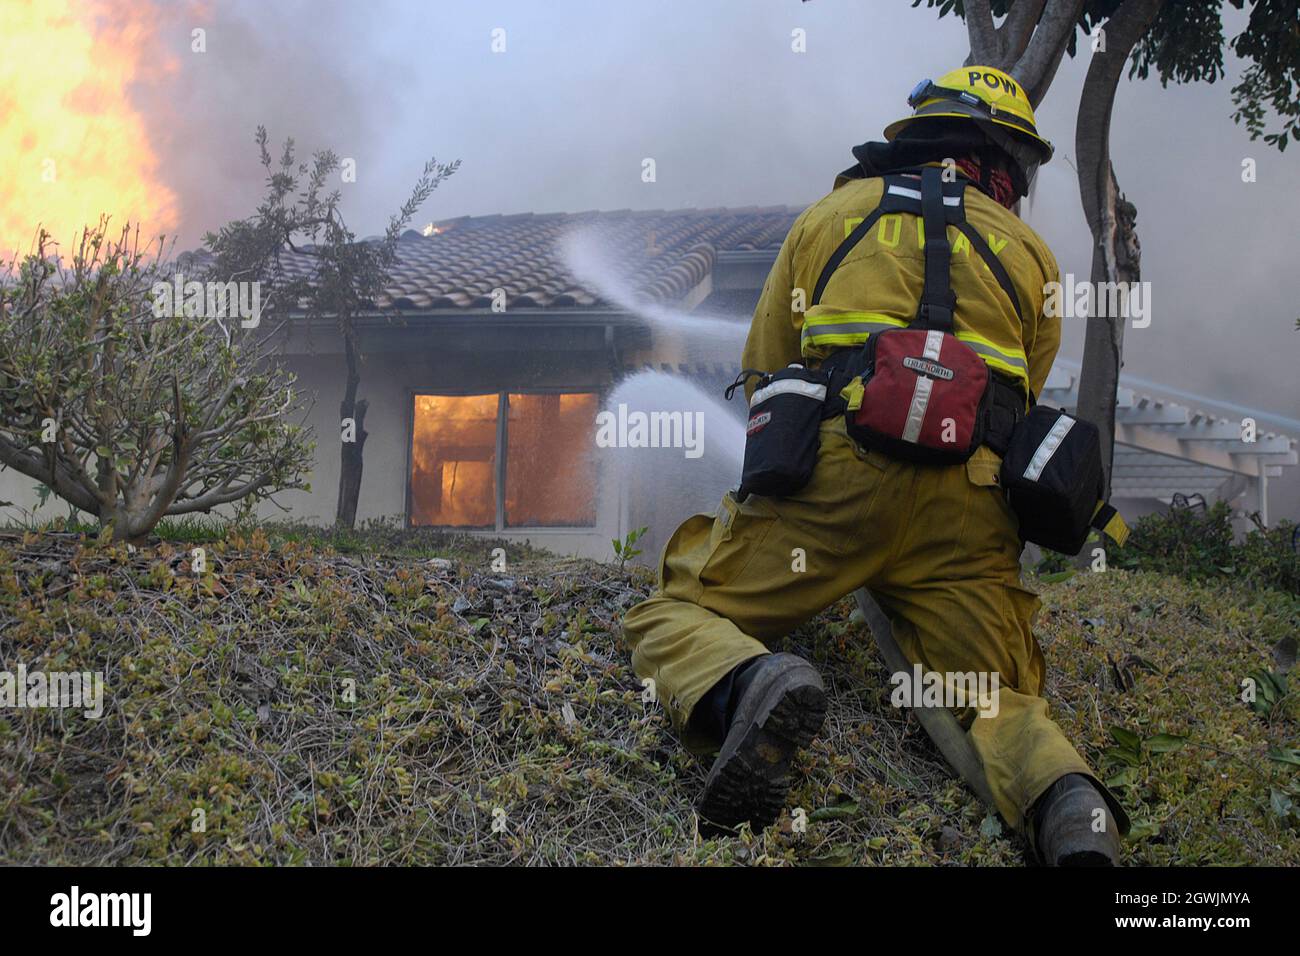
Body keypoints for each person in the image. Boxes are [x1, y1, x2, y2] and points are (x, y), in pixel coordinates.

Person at [622, 66, 1130, 865]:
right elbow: (1020, 396)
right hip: (965, 516)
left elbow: (766, 371)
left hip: (833, 489)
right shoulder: (1033, 257)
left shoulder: (829, 218)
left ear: (921, 137)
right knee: (994, 700)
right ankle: (1068, 807)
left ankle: (748, 683)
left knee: (673, 610)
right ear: (997, 161)